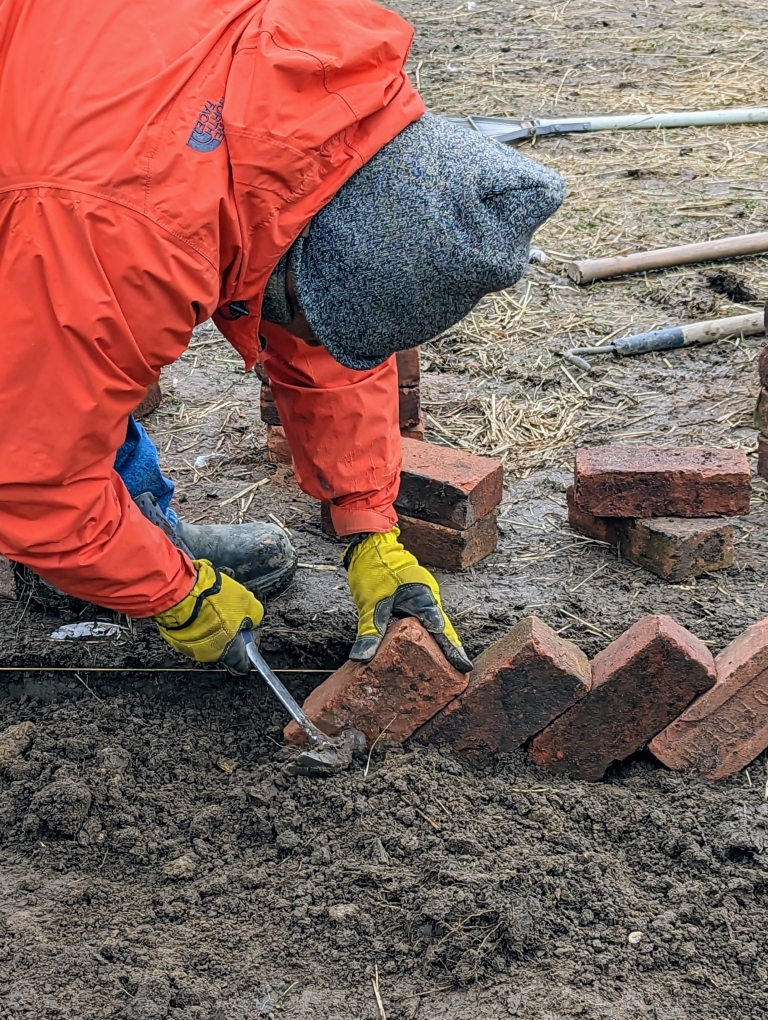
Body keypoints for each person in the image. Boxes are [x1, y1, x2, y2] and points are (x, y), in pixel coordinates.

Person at [0, 0, 565, 676]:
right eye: (312, 315)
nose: (307, 335)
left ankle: (118, 530)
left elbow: (315, 318)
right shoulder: (125, 233)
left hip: (72, 117)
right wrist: (171, 592)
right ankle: (99, 554)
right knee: (46, 393)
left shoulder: (329, 114)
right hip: (76, 179)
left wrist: (368, 525)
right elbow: (32, 473)